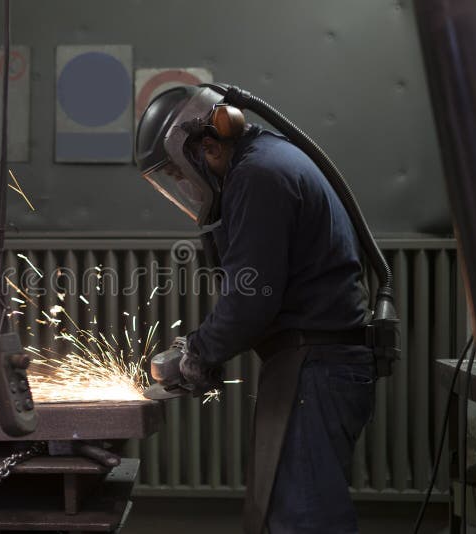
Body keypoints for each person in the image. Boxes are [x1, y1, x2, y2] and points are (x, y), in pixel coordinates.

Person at [135, 84, 376, 534]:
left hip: (316, 366)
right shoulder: (266, 161)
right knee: (292, 510)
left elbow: (252, 298)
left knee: (304, 520)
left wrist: (196, 353)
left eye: (177, 172)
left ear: (207, 146)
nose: (182, 184)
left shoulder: (258, 175)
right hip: (315, 363)